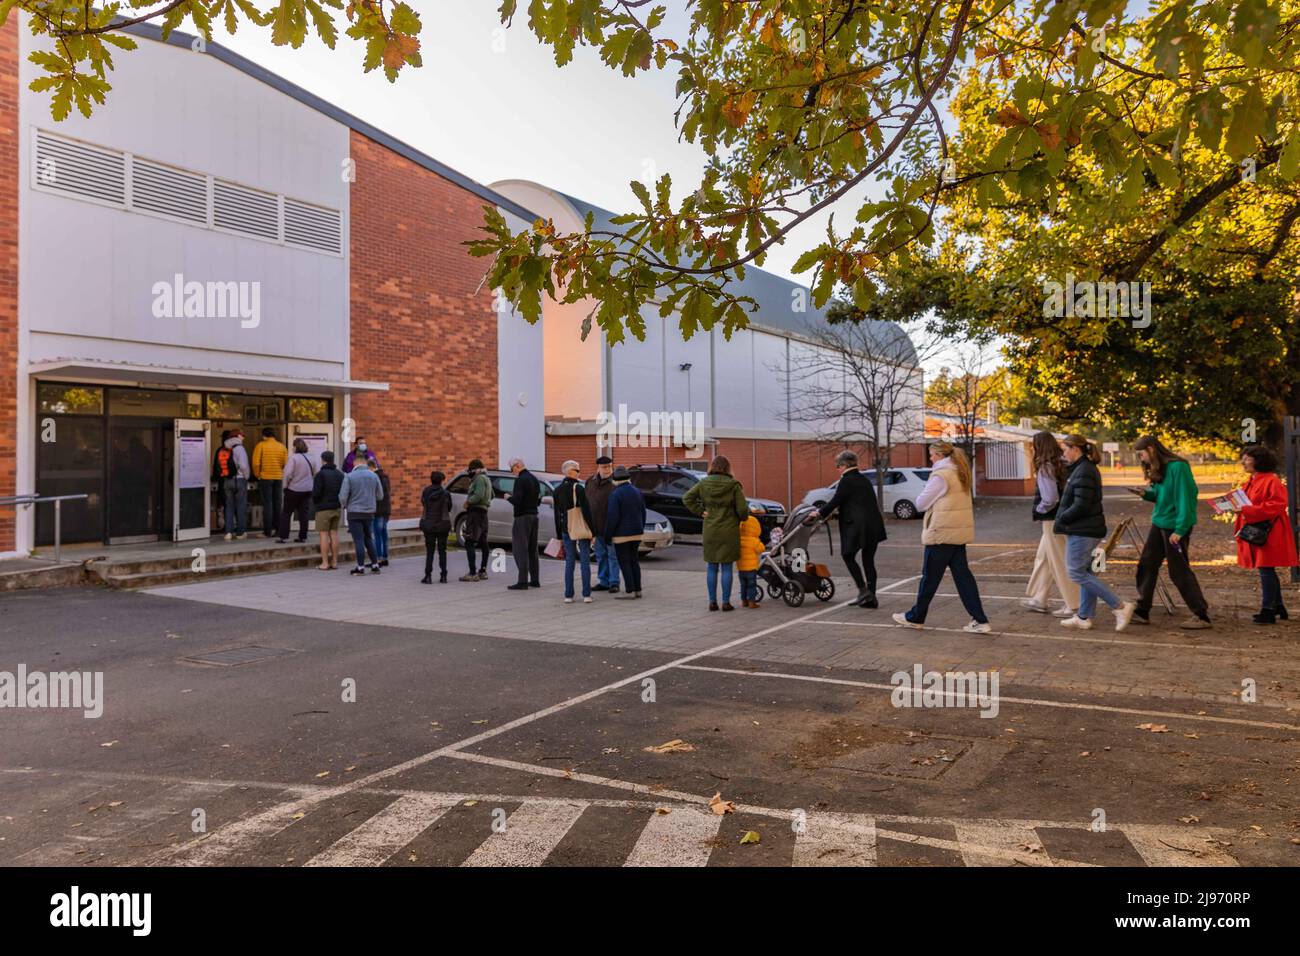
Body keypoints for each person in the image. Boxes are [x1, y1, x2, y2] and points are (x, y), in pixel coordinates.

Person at [891, 442, 992, 633]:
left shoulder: (941, 475)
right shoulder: (960, 471)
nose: (930, 458)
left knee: (929, 578)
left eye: (931, 455)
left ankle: (916, 617)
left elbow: (921, 503)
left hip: (941, 533)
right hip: (957, 533)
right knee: (963, 578)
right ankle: (980, 619)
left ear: (938, 454)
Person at [1127, 435, 1212, 629]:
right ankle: (1142, 610)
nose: (1141, 459)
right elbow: (1161, 496)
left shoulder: (1178, 467)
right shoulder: (1160, 469)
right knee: (1147, 564)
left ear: (1151, 449)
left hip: (1175, 526)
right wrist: (1145, 494)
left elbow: (1186, 498)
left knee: (1179, 570)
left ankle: (1201, 614)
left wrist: (1181, 529)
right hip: (1160, 523)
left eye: (1141, 454)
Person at [1055, 434, 1135, 631]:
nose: (1064, 453)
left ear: (1075, 449)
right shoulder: (1082, 469)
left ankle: (1120, 606)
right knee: (1085, 572)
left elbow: (1081, 504)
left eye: (1065, 449)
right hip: (1087, 528)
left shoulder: (1083, 471)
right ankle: (1084, 616)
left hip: (1084, 529)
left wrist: (1062, 517)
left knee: (1075, 572)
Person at [1232, 445, 1297, 625]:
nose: (1243, 462)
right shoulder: (1251, 481)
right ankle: (1277, 606)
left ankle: (1268, 610)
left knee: (1266, 568)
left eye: (1247, 459)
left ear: (1258, 460)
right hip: (1259, 530)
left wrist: (1246, 509)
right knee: (1266, 568)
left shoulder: (1271, 480)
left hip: (1270, 531)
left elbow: (1276, 504)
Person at [813, 450, 887, 608]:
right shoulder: (863, 479)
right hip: (873, 524)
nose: (837, 469)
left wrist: (819, 512)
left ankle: (863, 590)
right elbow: (855, 501)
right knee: (868, 560)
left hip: (857, 526)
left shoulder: (846, 481)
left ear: (845, 465)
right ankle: (871, 597)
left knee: (847, 555)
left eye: (838, 466)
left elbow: (836, 500)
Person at [1021, 431, 1080, 618]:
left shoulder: (1045, 467)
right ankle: (1040, 597)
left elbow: (1050, 498)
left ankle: (1073, 604)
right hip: (1063, 517)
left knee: (1058, 561)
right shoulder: (1063, 463)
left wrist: (1039, 508)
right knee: (1045, 558)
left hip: (1052, 519)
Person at [682, 455, 749, 611]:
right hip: (729, 530)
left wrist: (701, 511)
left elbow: (687, 498)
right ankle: (726, 602)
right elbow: (743, 510)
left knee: (712, 567)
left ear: (712, 467)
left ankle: (712, 602)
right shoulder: (733, 485)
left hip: (710, 529)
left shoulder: (703, 483)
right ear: (727, 468)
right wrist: (741, 517)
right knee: (726, 567)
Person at [554, 459, 596, 604]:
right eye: (577, 470)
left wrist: (558, 535)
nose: (579, 472)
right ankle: (586, 594)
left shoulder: (557, 490)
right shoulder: (579, 488)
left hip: (566, 528)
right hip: (580, 527)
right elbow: (586, 511)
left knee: (569, 561)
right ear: (570, 471)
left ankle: (568, 595)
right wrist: (593, 531)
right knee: (584, 560)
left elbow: (556, 514)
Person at [605, 466, 645, 599]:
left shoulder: (615, 494)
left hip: (621, 534)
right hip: (637, 531)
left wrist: (608, 535)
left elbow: (612, 517)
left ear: (615, 480)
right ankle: (638, 589)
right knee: (634, 560)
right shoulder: (637, 491)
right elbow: (643, 513)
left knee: (624, 561)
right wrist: (641, 527)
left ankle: (630, 590)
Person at [339, 457, 383, 576]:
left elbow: (342, 496)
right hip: (369, 512)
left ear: (355, 463)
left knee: (358, 540)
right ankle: (375, 565)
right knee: (369, 538)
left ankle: (360, 567)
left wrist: (346, 505)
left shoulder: (349, 476)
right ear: (365, 463)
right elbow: (380, 496)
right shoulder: (374, 476)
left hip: (354, 512)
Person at [505, 457, 542, 591]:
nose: (513, 472)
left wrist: (508, 497)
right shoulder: (534, 479)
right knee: (533, 549)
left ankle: (522, 581)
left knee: (521, 549)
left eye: (512, 469)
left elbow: (517, 500)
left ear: (517, 466)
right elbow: (539, 499)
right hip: (534, 515)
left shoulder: (520, 480)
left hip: (522, 517)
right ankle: (535, 579)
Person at [585, 455, 620, 593]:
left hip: (611, 526)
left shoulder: (615, 483)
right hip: (596, 527)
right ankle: (603, 581)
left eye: (610, 466)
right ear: (598, 467)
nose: (607, 469)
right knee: (601, 555)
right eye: (604, 467)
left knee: (613, 555)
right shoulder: (590, 482)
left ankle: (614, 582)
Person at [459, 458, 492, 582]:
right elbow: (492, 495)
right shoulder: (487, 479)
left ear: (476, 469)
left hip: (475, 513)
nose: (470, 472)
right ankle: (483, 571)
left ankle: (473, 573)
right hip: (484, 513)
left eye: (471, 470)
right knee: (483, 542)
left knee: (469, 541)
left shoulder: (479, 479)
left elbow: (478, 495)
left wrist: (468, 502)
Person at [277, 438, 315, 543]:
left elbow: (287, 474)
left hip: (293, 489)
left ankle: (283, 536)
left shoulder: (293, 458)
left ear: (295, 447)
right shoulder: (312, 458)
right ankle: (303, 536)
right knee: (304, 514)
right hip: (307, 489)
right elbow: (316, 472)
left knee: (286, 513)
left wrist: (285, 486)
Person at [252, 427, 287, 538]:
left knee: (267, 504)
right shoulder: (282, 447)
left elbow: (256, 463)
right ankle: (278, 530)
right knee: (278, 504)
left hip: (265, 477)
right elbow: (286, 463)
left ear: (264, 435)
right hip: (278, 477)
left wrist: (258, 474)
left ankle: (267, 531)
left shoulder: (261, 445)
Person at [311, 450, 344, 570]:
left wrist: (316, 503)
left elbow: (316, 493)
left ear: (323, 460)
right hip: (336, 507)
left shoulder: (321, 474)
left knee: (323, 535)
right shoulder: (340, 474)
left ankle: (325, 563)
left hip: (323, 508)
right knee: (334, 534)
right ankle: (334, 562)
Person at [419, 470, 453, 584]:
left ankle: (428, 576)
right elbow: (449, 508)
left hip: (429, 524)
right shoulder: (446, 493)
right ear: (441, 481)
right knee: (442, 551)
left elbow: (424, 504)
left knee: (430, 551)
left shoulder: (426, 491)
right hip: (443, 525)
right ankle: (444, 575)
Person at [221, 429, 251, 540]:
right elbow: (243, 465)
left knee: (229, 506)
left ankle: (228, 532)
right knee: (241, 506)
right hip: (239, 480)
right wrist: (246, 476)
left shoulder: (225, 448)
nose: (243, 437)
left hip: (227, 481)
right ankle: (240, 532)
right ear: (237, 436)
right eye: (242, 435)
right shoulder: (240, 449)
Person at [737, 515, 764, 609]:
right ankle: (752, 602)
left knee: (743, 585)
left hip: (741, 568)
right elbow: (761, 549)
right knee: (752, 585)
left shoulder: (739, 540)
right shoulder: (754, 541)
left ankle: (744, 601)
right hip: (751, 568)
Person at [372, 460, 392, 567]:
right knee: (384, 534)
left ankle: (378, 558)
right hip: (386, 510)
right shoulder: (385, 477)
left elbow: (376, 495)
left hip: (378, 510)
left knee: (377, 535)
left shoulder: (375, 478)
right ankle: (385, 557)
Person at [211, 429, 232, 532]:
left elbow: (216, 467)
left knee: (224, 503)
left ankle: (226, 527)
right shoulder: (235, 450)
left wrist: (216, 477)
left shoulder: (220, 450)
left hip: (223, 480)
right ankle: (233, 526)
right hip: (235, 480)